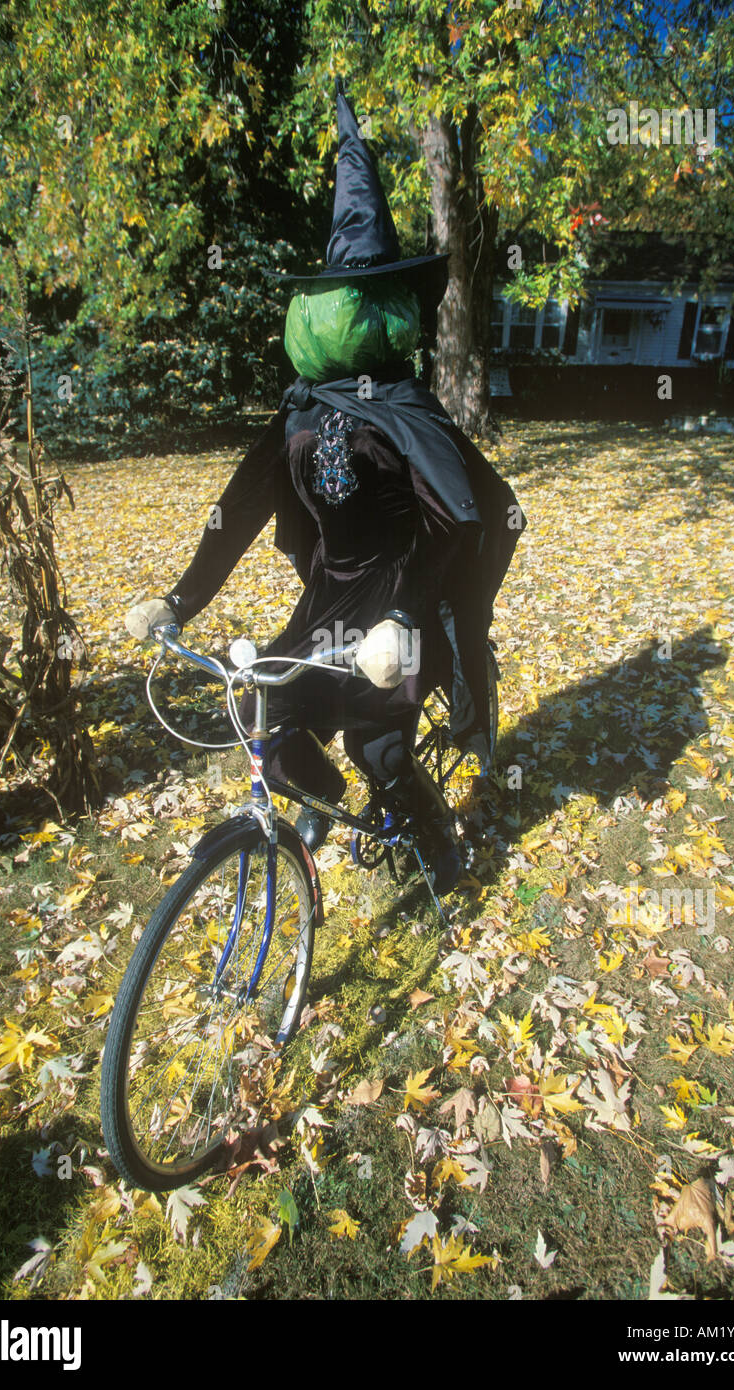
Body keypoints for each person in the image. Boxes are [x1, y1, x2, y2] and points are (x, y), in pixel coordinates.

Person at [125, 85, 526, 896]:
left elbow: (456, 520)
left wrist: (407, 615)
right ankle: (321, 803)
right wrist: (178, 601)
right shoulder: (297, 412)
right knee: (258, 711)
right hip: (327, 598)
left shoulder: (409, 411)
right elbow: (235, 512)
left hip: (399, 599)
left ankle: (431, 833)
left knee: (380, 747)